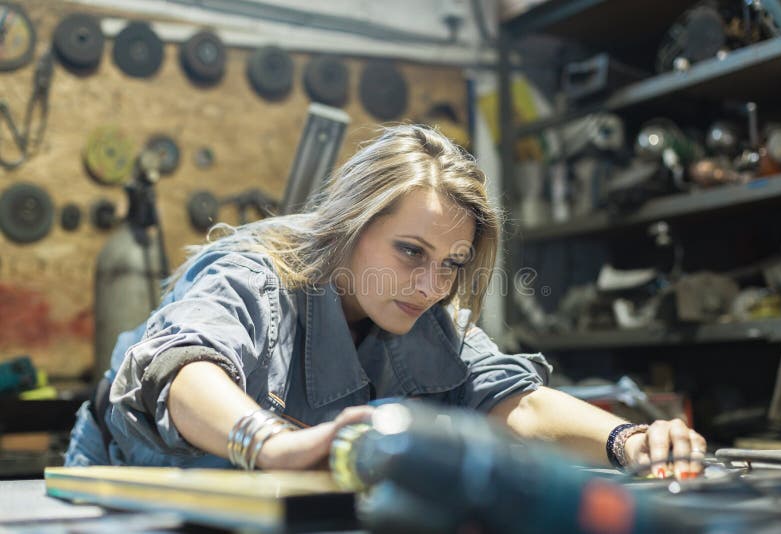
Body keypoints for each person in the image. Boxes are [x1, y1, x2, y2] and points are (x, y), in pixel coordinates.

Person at [65, 124, 706, 478]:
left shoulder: (425, 318)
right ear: (350, 224)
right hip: (125, 485)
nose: (431, 287)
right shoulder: (253, 275)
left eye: (453, 264)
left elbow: (516, 402)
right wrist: (270, 443)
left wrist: (630, 439)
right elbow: (180, 368)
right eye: (410, 252)